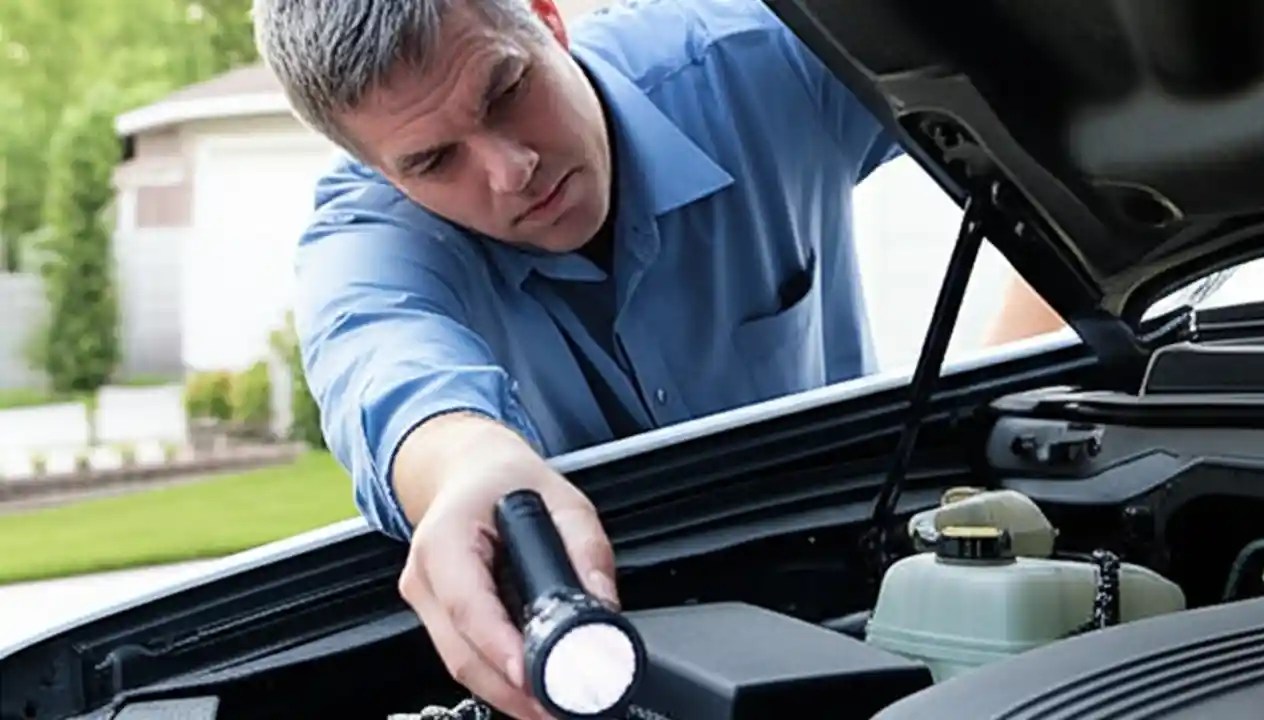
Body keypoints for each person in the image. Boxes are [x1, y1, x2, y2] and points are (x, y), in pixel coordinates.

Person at [253, 0, 1062, 716]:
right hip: (611, 668)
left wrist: (999, 407)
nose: (509, 169)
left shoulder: (758, 60)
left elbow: (1057, 116)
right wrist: (467, 470)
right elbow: (380, 359)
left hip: (882, 595)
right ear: (378, 172)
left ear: (545, 16)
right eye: (433, 161)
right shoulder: (366, 244)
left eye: (505, 91)